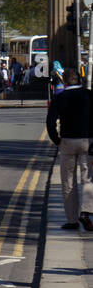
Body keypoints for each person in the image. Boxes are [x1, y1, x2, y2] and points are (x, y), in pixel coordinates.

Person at [47, 68, 93, 231]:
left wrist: (57, 140)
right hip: (87, 140)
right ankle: (86, 211)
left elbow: (50, 122)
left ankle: (72, 219)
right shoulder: (89, 95)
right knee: (88, 178)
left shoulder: (59, 98)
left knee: (68, 181)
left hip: (67, 141)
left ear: (64, 82)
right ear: (79, 80)